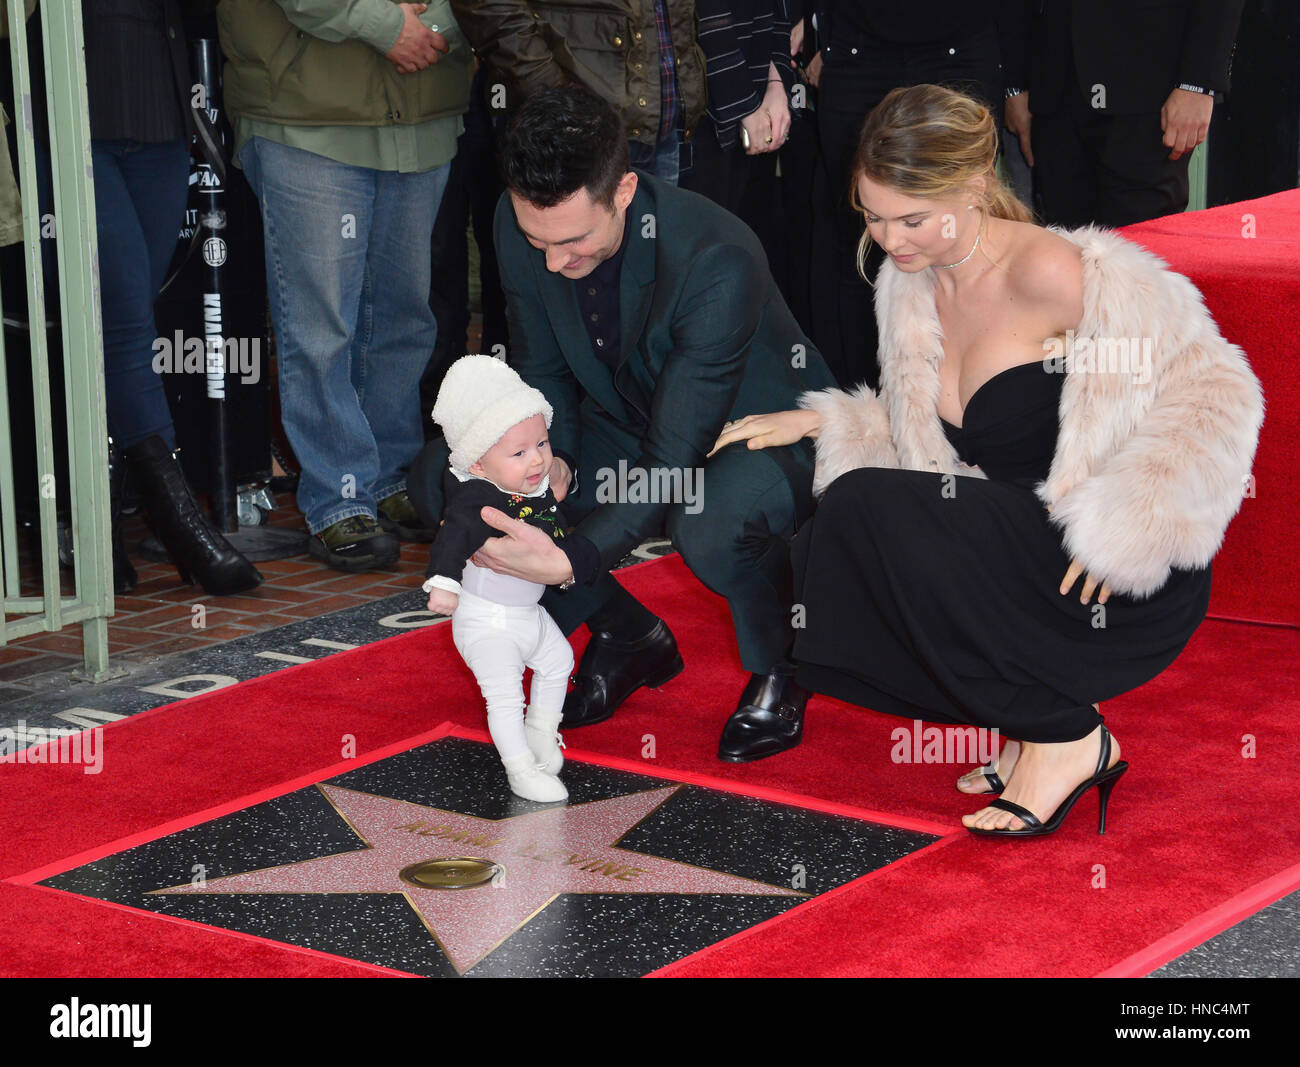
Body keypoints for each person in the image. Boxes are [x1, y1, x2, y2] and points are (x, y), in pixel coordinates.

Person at [713, 85, 1263, 836]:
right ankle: (1032, 720)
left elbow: (1217, 396)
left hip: (1095, 565)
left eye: (910, 218)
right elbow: (938, 447)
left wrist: (1134, 522)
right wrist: (825, 419)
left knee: (863, 510)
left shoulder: (1059, 272)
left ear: (974, 188)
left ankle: (1065, 737)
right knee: (832, 544)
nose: (889, 239)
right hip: (1001, 548)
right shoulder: (909, 283)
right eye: (872, 216)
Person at [407, 85, 837, 764]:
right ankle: (628, 633)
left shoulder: (715, 255)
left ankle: (781, 665)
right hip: (622, 418)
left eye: (575, 240)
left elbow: (674, 456)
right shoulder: (518, 220)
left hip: (755, 426)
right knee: (452, 477)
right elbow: (541, 367)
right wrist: (555, 459)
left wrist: (571, 556)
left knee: (710, 519)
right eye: (536, 240)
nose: (553, 260)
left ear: (627, 189)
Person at [217, 0, 472, 571]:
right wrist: (385, 24)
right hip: (308, 112)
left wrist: (439, 26)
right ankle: (339, 496)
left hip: (424, 107)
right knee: (321, 324)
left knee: (404, 316)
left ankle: (390, 477)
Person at [86, 0, 261, 596]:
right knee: (124, 323)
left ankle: (100, 527)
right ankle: (186, 528)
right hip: (66, 103)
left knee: (127, 320)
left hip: (162, 105)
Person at [424, 356, 573, 803]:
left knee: (559, 661)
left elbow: (553, 509)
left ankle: (542, 731)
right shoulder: (475, 500)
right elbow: (451, 540)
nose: (538, 460)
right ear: (480, 465)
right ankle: (520, 768)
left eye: (543, 444)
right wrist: (444, 585)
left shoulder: (531, 486)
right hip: (486, 620)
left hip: (528, 611)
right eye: (519, 453)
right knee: (504, 697)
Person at [1013, 0, 1245, 228]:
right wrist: (1014, 84)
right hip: (1054, 83)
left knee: (1142, 249)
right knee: (1062, 244)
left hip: (1150, 93)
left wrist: (1198, 83)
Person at [450, 0, 705, 183]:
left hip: (665, 120)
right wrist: (551, 93)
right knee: (565, 252)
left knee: (647, 250)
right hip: (572, 126)